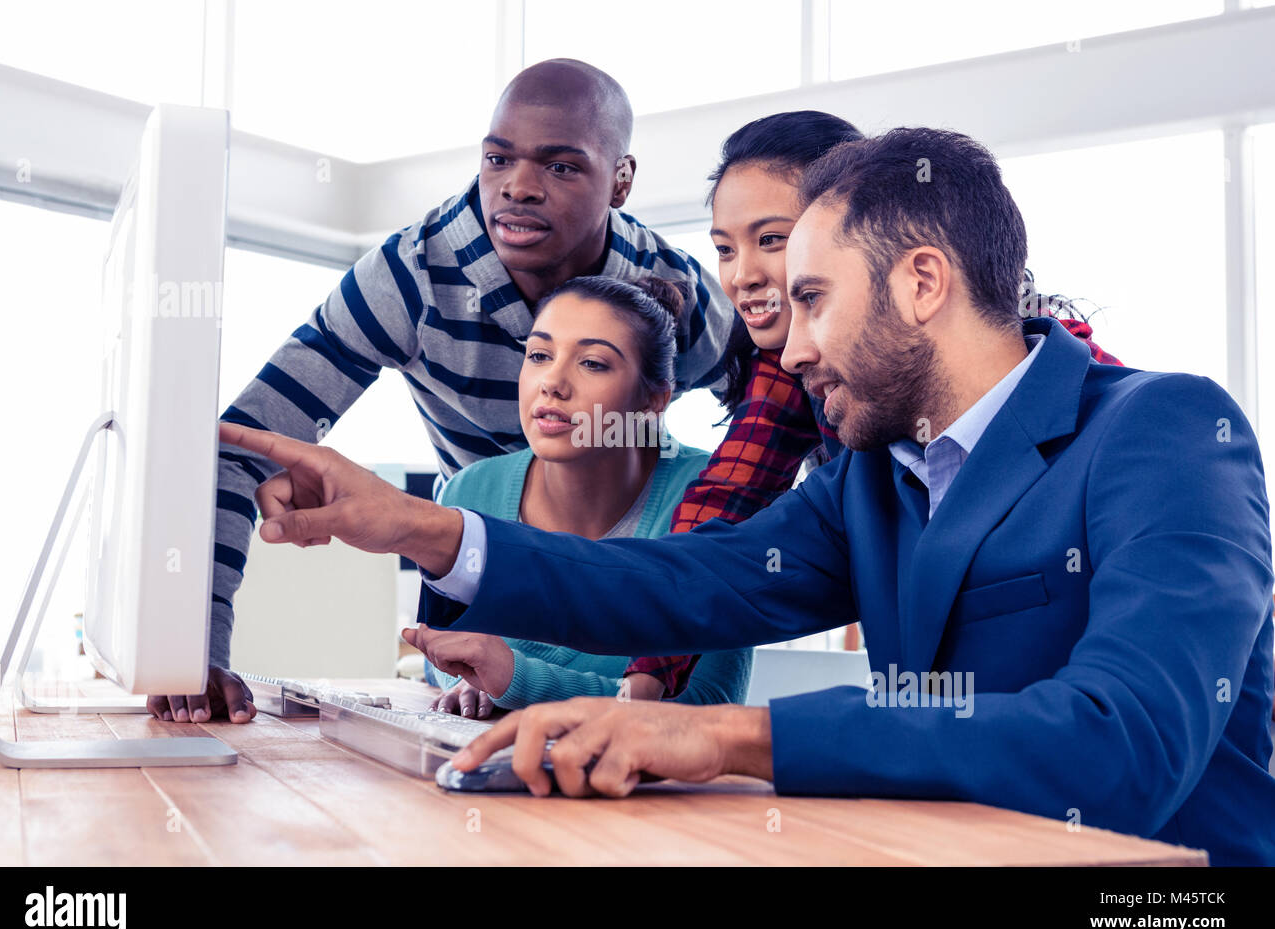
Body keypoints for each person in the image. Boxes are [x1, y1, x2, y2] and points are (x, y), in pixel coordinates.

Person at [216, 127, 1275, 866]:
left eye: (813, 299)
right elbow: (691, 578)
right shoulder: (874, 470)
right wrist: (420, 527)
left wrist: (731, 738)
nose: (791, 346)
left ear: (920, 282)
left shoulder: (1165, 431)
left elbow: (1119, 741)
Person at [146, 58, 736, 725]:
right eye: (497, 159)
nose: (518, 188)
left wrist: (731, 526)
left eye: (561, 167)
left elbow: (784, 411)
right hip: (483, 595)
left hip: (630, 611)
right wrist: (192, 650)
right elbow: (240, 447)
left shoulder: (673, 289)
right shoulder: (411, 279)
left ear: (621, 181)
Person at [625, 111, 1123, 696]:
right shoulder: (797, 378)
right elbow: (724, 516)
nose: (743, 276)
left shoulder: (1097, 409)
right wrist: (648, 679)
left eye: (773, 240)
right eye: (724, 249)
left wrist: (742, 741)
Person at [412, 276, 751, 716]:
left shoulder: (716, 493)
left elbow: (708, 703)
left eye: (592, 363)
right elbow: (442, 644)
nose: (551, 382)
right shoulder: (469, 490)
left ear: (653, 400)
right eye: (538, 355)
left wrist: (515, 680)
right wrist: (466, 679)